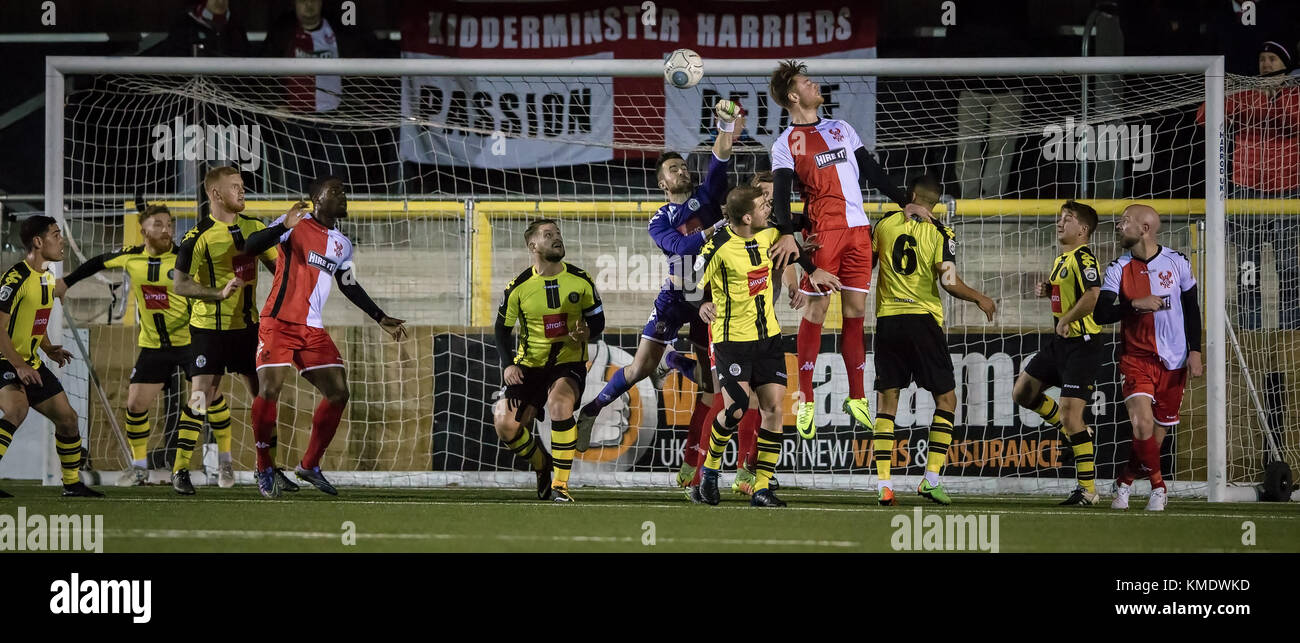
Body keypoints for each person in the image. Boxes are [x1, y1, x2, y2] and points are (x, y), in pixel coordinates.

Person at [574, 100, 742, 489]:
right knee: (639, 370)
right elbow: (680, 249)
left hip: (710, 299)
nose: (681, 169)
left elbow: (720, 155)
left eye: (683, 165)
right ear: (662, 183)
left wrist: (725, 123)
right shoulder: (660, 218)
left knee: (708, 384)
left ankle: (678, 364)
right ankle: (592, 411)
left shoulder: (707, 194)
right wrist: (713, 231)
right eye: (672, 169)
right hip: (675, 297)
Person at [766, 59, 929, 441]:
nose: (815, 84)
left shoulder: (841, 128)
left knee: (856, 312)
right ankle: (804, 397)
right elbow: (780, 202)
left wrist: (904, 200)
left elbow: (870, 170)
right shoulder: (785, 144)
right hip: (825, 233)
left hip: (859, 233)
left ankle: (856, 396)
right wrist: (792, 239)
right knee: (818, 310)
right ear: (794, 95)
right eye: (808, 82)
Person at [241, 177, 407, 497]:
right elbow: (249, 248)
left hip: (312, 329)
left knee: (338, 392)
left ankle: (309, 464)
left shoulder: (342, 243)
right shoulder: (295, 222)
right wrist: (280, 226)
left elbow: (348, 283)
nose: (343, 196)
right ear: (316, 198)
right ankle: (264, 467)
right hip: (278, 322)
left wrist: (379, 316)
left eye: (345, 191)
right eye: (336, 192)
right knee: (270, 389)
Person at [692, 184, 841, 507]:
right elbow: (685, 280)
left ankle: (761, 487)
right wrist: (700, 305)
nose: (768, 211)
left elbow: (792, 249)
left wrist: (813, 270)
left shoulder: (770, 234)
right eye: (762, 206)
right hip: (731, 340)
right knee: (735, 409)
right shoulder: (717, 246)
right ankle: (711, 473)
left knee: (774, 408)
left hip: (768, 338)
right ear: (746, 217)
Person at [871, 176, 996, 506]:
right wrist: (980, 298)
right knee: (947, 401)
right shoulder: (942, 232)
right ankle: (931, 480)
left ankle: (884, 484)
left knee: (887, 404)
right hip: (923, 322)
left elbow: (867, 263)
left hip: (887, 320)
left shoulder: (883, 225)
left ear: (910, 195)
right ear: (936, 203)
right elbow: (950, 282)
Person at [172, 166, 294, 496]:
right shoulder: (197, 236)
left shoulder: (256, 228)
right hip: (208, 330)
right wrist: (217, 293)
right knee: (199, 397)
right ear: (215, 195)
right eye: (235, 187)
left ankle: (268, 469)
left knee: (263, 400)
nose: (242, 192)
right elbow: (180, 284)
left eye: (242, 186)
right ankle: (181, 468)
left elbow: (279, 268)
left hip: (249, 329)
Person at [56, 205, 194, 487]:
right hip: (154, 346)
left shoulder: (184, 258)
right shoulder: (130, 257)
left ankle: (191, 468)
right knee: (134, 404)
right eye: (158, 224)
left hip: (190, 343)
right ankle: (140, 467)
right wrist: (66, 282)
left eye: (169, 224)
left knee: (204, 402)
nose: (166, 229)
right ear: (143, 230)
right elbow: (97, 262)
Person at [1094, 204, 1203, 512]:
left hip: (1175, 360)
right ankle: (1159, 487)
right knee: (1141, 424)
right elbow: (1102, 313)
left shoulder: (1177, 262)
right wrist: (1134, 304)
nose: (1118, 226)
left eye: (1124, 221)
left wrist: (1195, 350)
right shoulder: (1118, 268)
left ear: (1145, 228)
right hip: (1136, 357)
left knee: (1153, 439)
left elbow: (1192, 309)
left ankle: (1125, 481)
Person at [494, 219, 605, 503]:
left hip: (567, 363)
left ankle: (560, 486)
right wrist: (509, 364)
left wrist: (587, 332)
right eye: (548, 235)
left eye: (557, 233)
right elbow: (501, 330)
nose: (557, 237)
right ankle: (542, 464)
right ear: (533, 246)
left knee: (559, 404)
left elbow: (598, 321)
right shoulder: (518, 287)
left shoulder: (581, 280)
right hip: (529, 366)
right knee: (505, 425)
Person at [1196, 41, 1300, 329]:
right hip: (1246, 190)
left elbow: (1293, 119)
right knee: (1247, 268)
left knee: (1289, 268)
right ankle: (1249, 329)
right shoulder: (1242, 95)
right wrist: (1227, 93)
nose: (1266, 64)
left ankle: (1290, 333)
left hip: (1288, 192)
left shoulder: (1296, 97)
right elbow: (1203, 117)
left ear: (1286, 66)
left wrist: (1272, 107)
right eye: (1262, 59)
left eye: (1273, 59)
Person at [0, 216, 103, 498]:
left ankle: (71, 484)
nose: (62, 241)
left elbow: (36, 319)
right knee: (16, 410)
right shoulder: (15, 278)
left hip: (29, 362)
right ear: (38, 241)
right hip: (4, 361)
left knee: (68, 419)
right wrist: (19, 366)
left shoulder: (46, 276)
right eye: (56, 235)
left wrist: (47, 347)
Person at [1011, 201, 1104, 506]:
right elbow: (1064, 292)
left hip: (1082, 345)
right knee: (1022, 392)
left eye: (1068, 218)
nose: (1061, 222)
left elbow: (1093, 295)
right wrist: (1046, 289)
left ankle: (1088, 490)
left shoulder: (1085, 258)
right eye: (1060, 217)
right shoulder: (1061, 259)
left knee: (1071, 413)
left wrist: (1066, 318)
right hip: (1059, 344)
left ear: (1083, 229)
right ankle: (1072, 430)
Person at [157, 0, 251, 57]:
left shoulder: (236, 26)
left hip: (230, 87)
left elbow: (247, 58)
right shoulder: (185, 25)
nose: (220, 1)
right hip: (196, 86)